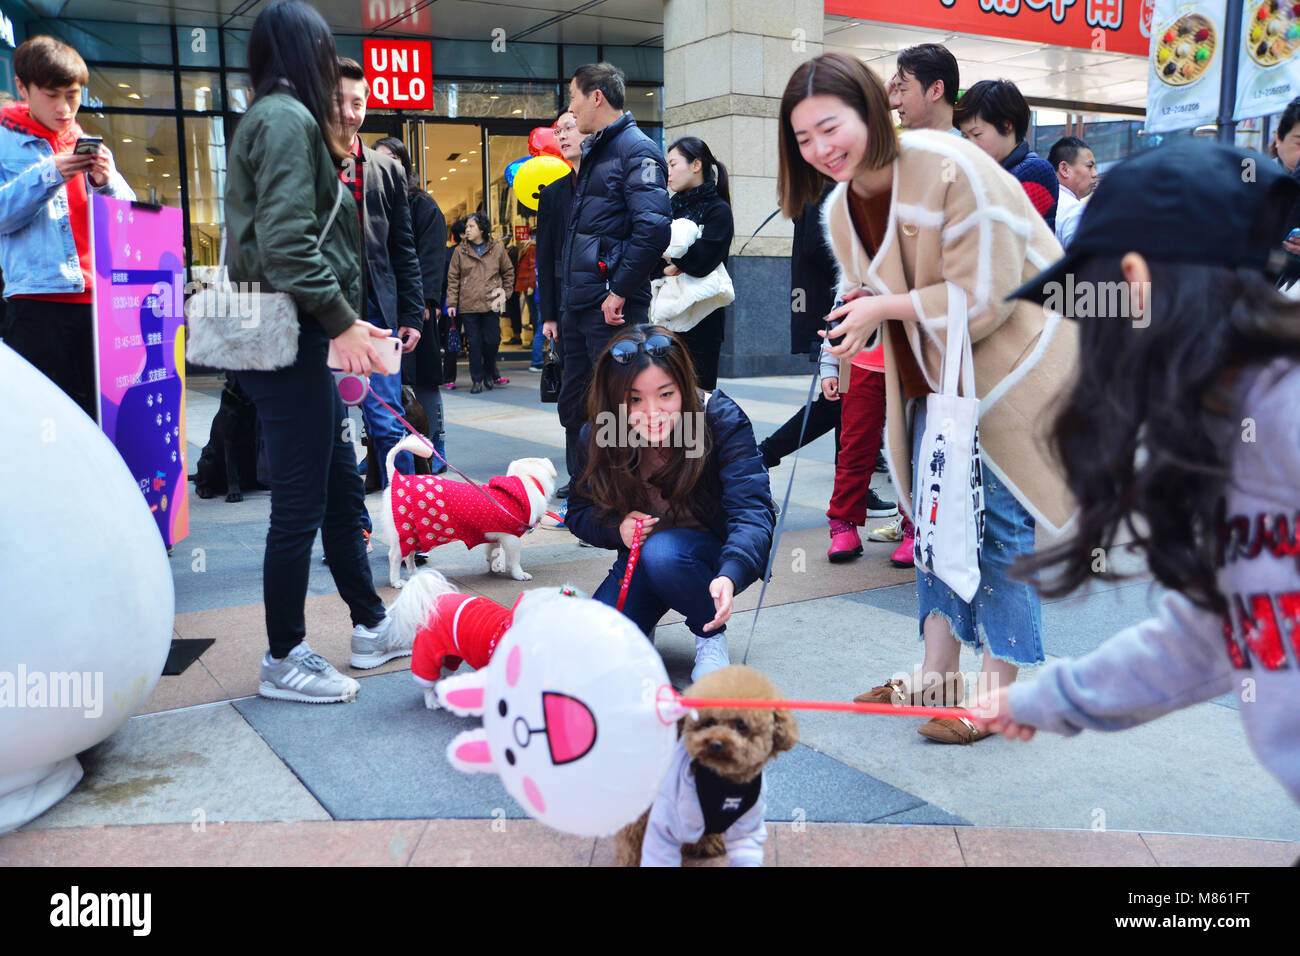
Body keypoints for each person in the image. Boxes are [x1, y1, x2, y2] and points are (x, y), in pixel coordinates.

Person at [967, 140, 1300, 809]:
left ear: (1135, 279)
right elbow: (1208, 632)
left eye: (1092, 305)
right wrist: (1045, 699)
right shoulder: (1225, 426)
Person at [777, 53, 1077, 743]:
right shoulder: (841, 209)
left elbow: (985, 299)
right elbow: (868, 299)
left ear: (872, 111)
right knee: (936, 523)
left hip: (1012, 377)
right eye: (803, 140)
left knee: (1001, 530)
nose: (822, 150)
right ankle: (938, 678)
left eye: (830, 127)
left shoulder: (950, 165)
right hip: (933, 383)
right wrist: (852, 330)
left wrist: (883, 305)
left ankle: (996, 697)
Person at [225, 0, 395, 703]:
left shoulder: (275, 115)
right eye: (327, 52)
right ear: (307, 53)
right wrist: (343, 323)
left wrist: (340, 323)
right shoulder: (287, 119)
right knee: (301, 500)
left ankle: (370, 623)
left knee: (336, 487)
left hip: (286, 328)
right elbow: (291, 244)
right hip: (285, 330)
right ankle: (284, 656)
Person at [566, 325, 775, 681]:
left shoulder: (717, 419)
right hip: (640, 560)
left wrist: (731, 572)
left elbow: (752, 509)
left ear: (684, 387)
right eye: (634, 399)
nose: (652, 412)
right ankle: (636, 627)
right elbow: (579, 512)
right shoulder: (600, 433)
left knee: (664, 551)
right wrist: (617, 529)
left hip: (709, 554)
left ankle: (709, 636)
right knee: (592, 653)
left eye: (665, 395)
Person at [0, 35, 135, 422]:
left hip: (101, 304)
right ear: (23, 88)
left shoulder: (84, 139)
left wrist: (107, 181)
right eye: (52, 94)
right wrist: (48, 174)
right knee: (42, 425)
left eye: (73, 95)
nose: (64, 108)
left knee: (100, 422)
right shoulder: (4, 140)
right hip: (38, 303)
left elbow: (130, 221)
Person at [558, 62, 672, 503]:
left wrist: (619, 290)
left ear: (596, 97)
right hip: (581, 304)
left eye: (573, 97)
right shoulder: (597, 151)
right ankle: (586, 500)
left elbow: (653, 229)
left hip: (611, 306)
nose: (571, 108)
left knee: (616, 409)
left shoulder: (637, 150)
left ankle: (622, 501)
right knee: (576, 405)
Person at [336, 57, 424, 486]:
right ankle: (354, 531)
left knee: (389, 424)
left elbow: (403, 249)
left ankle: (411, 529)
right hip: (325, 312)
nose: (350, 112)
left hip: (377, 312)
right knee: (330, 432)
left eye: (358, 101)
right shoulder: (304, 165)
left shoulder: (387, 170)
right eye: (339, 101)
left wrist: (410, 315)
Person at [374, 135, 447, 471]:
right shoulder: (374, 204)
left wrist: (426, 302)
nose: (384, 165)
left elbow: (430, 258)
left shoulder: (424, 205)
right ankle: (386, 456)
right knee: (386, 387)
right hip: (386, 304)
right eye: (378, 159)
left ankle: (436, 451)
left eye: (391, 158)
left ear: (404, 164)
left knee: (425, 383)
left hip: (418, 306)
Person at [657, 136, 734, 391]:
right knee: (665, 398)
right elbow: (649, 260)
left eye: (673, 163)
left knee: (697, 403)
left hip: (703, 320)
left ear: (696, 164)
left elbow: (702, 263)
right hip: (666, 318)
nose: (667, 172)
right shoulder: (668, 208)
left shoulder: (717, 210)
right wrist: (675, 263)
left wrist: (669, 260)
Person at [536, 107, 582, 501]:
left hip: (605, 305)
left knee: (609, 397)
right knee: (572, 395)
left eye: (570, 127)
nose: (564, 135)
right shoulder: (553, 194)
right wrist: (548, 314)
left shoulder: (609, 182)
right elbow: (545, 256)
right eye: (559, 129)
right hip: (566, 309)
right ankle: (579, 474)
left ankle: (607, 478)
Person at [954, 79, 1058, 233]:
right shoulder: (987, 172)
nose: (970, 144)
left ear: (1007, 125)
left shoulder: (1037, 171)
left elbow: (999, 234)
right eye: (966, 136)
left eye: (977, 134)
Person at [445, 211, 513, 393]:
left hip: (493, 303)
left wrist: (505, 294)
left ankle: (489, 373)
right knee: (474, 344)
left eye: (471, 226)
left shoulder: (497, 249)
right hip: (468, 304)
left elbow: (508, 271)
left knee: (492, 341)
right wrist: (451, 303)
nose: (467, 230)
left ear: (481, 229)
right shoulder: (460, 251)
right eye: (466, 226)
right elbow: (453, 278)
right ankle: (477, 380)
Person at [887, 43, 960, 133]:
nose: (895, 102)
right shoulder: (905, 143)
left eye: (902, 90)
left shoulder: (966, 146)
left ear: (936, 90)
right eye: (895, 91)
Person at [1048, 135, 1097, 248]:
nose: (1095, 174)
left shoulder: (1044, 198)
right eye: (1090, 166)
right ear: (1064, 169)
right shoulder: (1074, 211)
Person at [441, 216, 466, 389]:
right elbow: (445, 281)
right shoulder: (452, 254)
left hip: (453, 303)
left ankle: (449, 378)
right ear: (463, 234)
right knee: (453, 340)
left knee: (452, 340)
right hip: (453, 303)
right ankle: (448, 377)